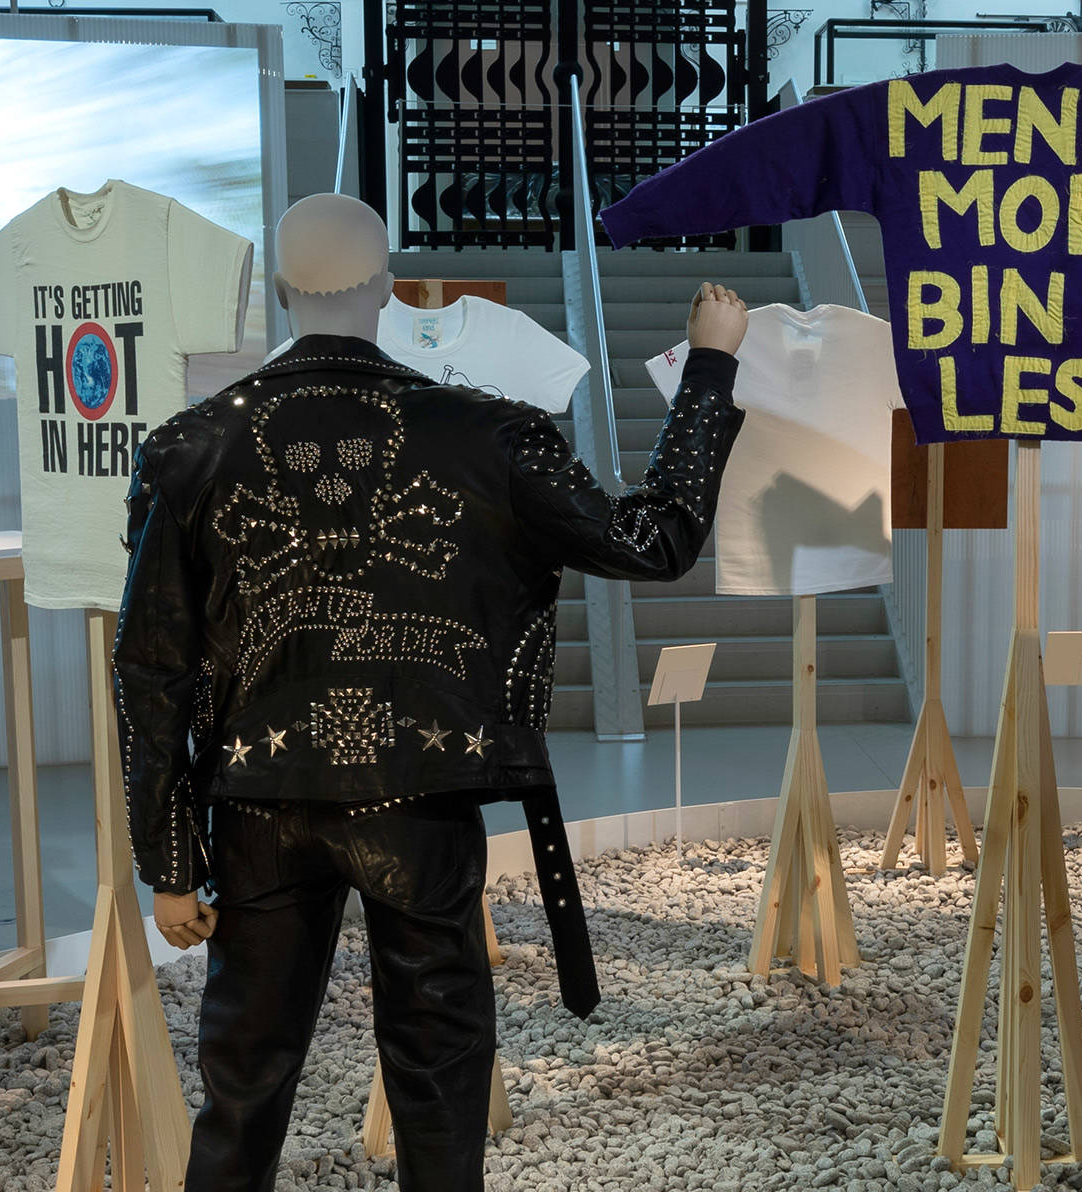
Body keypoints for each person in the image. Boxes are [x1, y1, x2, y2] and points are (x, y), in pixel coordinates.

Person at [113, 192, 752, 1192]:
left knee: (242, 1085)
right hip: (423, 795)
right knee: (441, 1073)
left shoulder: (191, 447)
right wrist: (709, 368)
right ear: (387, 289)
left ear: (281, 294)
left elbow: (151, 665)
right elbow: (653, 540)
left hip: (256, 805)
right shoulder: (489, 436)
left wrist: (168, 859)